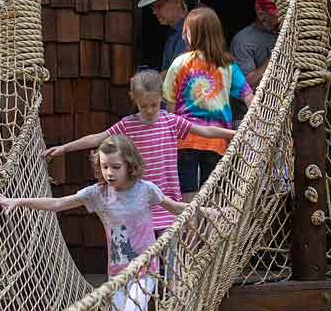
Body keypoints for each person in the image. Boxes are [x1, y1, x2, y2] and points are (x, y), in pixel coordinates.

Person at [0, 135, 190, 311]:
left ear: (130, 165)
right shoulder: (97, 194)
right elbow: (59, 203)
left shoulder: (145, 190)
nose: (109, 172)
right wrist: (18, 201)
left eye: (116, 167)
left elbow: (174, 207)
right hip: (117, 273)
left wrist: (206, 211)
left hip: (145, 269)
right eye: (105, 167)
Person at [44, 69, 236, 233]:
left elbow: (204, 130)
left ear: (161, 98)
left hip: (168, 200)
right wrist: (64, 148)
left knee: (171, 253)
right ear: (133, 100)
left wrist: (233, 133)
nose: (150, 110)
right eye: (144, 106)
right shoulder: (128, 125)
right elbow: (98, 137)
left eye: (154, 105)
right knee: (145, 254)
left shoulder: (170, 121)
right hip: (140, 202)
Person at [163, 7, 253, 200]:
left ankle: (190, 229)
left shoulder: (180, 63)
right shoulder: (227, 64)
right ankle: (204, 229)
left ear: (192, 34)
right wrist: (256, 120)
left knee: (188, 195)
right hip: (218, 139)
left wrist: (169, 135)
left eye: (186, 31)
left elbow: (169, 102)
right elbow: (248, 95)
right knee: (210, 194)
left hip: (185, 137)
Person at [138, 0, 198, 74]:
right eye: (153, 7)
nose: (154, 12)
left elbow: (176, 73)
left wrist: (149, 80)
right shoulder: (175, 30)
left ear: (177, 2)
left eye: (158, 6)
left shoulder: (188, 32)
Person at [230, 0, 281, 90]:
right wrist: (275, 56)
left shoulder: (285, 31)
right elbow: (247, 85)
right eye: (277, 15)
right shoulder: (242, 41)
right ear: (261, 14)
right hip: (259, 104)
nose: (281, 18)